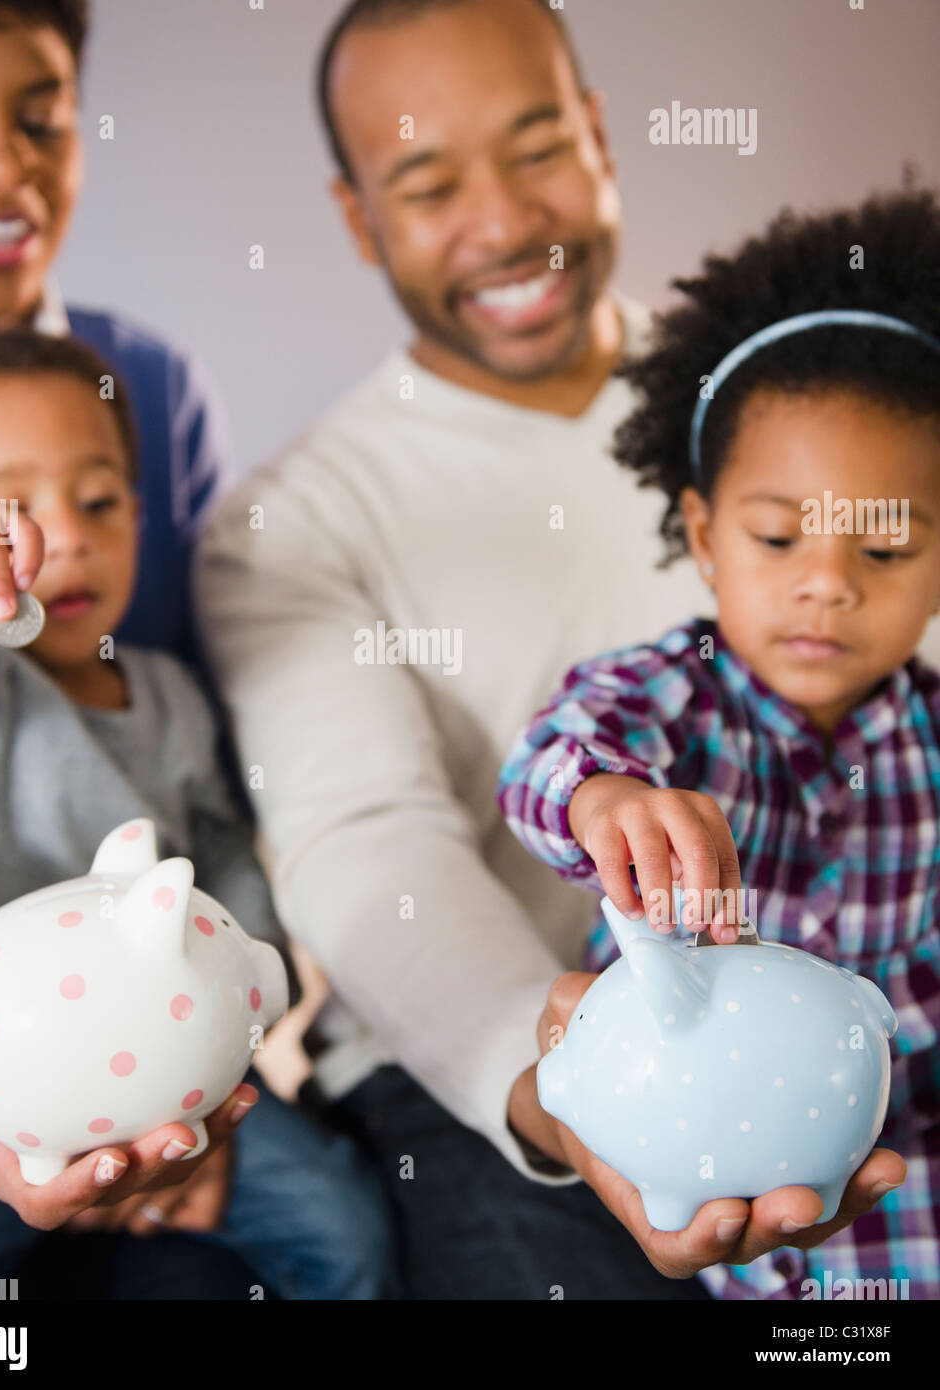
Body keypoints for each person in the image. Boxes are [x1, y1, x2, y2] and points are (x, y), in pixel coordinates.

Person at [0, 0, 396, 1292]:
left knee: (324, 1238)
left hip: (155, 1054)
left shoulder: (146, 385)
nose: (8, 163)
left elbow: (216, 806)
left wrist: (233, 1004)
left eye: (44, 115)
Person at [498, 185, 940, 1298]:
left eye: (882, 550)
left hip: (903, 1156)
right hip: (688, 1134)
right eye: (777, 535)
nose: (825, 584)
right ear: (702, 534)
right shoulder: (670, 693)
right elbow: (552, 751)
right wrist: (601, 796)